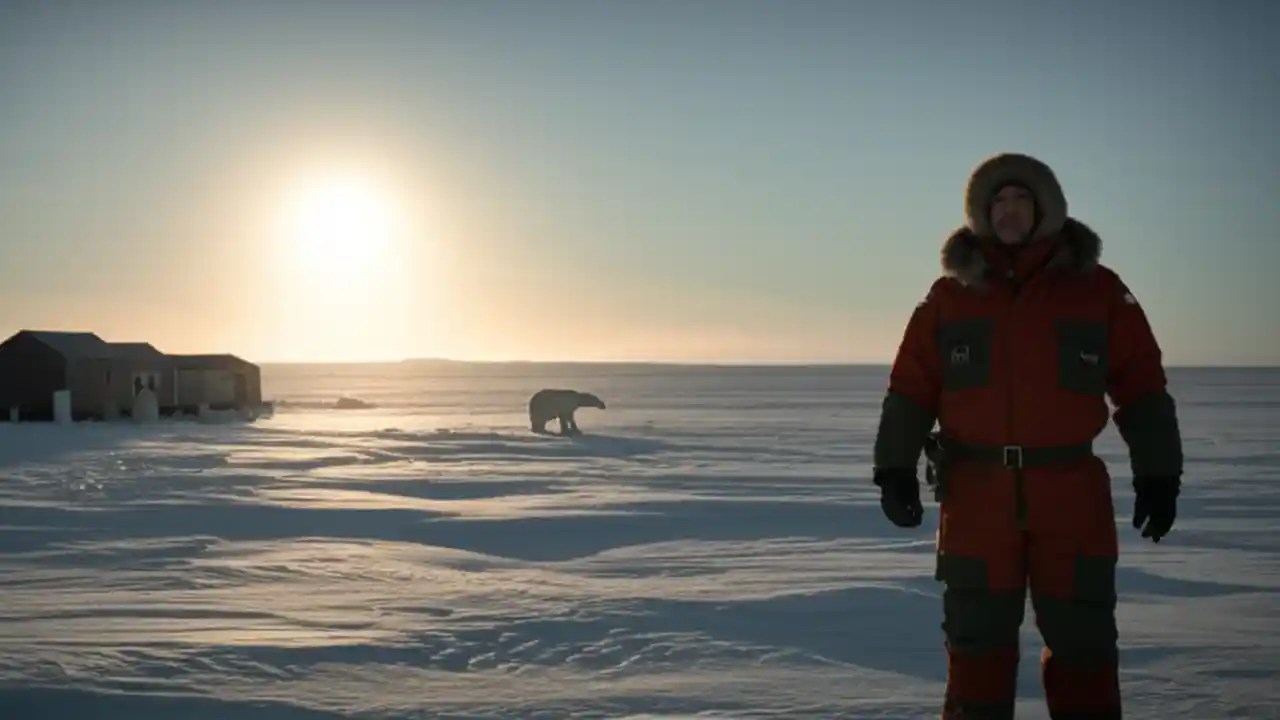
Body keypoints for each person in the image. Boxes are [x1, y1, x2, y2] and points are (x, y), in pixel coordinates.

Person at [871, 153, 1183, 719]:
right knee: (976, 651)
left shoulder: (1097, 292)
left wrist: (1160, 473)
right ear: (981, 214)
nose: (1009, 211)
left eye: (1021, 201)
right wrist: (893, 469)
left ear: (1045, 210)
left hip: (1070, 497)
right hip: (976, 498)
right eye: (998, 203)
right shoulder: (949, 298)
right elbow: (912, 388)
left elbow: (1142, 384)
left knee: (1084, 648)